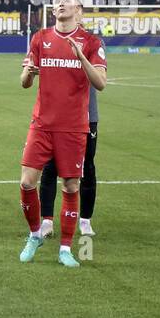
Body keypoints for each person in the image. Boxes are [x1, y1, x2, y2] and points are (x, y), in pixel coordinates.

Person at [18, 0, 107, 267]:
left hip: (73, 127)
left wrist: (81, 57)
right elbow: (24, 82)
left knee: (70, 186)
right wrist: (28, 72)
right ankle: (35, 234)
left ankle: (66, 249)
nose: (60, 2)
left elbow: (101, 83)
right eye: (57, 0)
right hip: (42, 124)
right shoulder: (40, 38)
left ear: (78, 9)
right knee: (26, 181)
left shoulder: (91, 42)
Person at [41, 86, 99, 239]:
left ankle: (85, 220)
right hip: (56, 115)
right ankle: (47, 220)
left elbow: (100, 79)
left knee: (87, 167)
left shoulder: (90, 59)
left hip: (86, 115)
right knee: (51, 165)